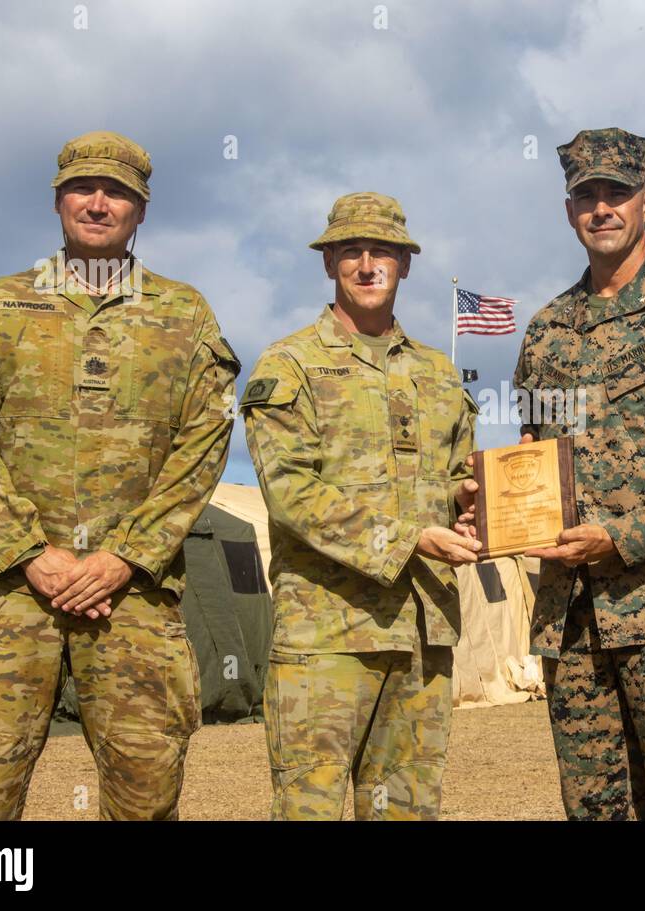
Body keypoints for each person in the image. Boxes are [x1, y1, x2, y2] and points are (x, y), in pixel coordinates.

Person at [0, 130, 239, 819]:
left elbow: (203, 441)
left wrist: (124, 555)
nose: (98, 203)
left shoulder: (185, 314)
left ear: (141, 209)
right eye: (83, 188)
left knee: (146, 794)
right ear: (57, 200)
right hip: (7, 591)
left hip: (132, 595)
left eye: (117, 192)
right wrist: (28, 553)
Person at [471, 128, 645, 819]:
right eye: (586, 195)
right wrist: (490, 502)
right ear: (570, 209)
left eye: (617, 194)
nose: (602, 208)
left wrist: (619, 536)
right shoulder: (546, 332)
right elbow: (535, 457)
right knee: (596, 809)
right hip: (574, 627)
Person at [241, 192, 480, 820]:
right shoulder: (290, 365)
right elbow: (291, 492)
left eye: (383, 252)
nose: (367, 264)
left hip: (422, 633)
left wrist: (472, 501)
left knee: (407, 812)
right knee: (308, 812)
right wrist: (410, 541)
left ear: (406, 263)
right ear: (329, 265)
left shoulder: (439, 374)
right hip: (327, 636)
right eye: (352, 252)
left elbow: (457, 479)